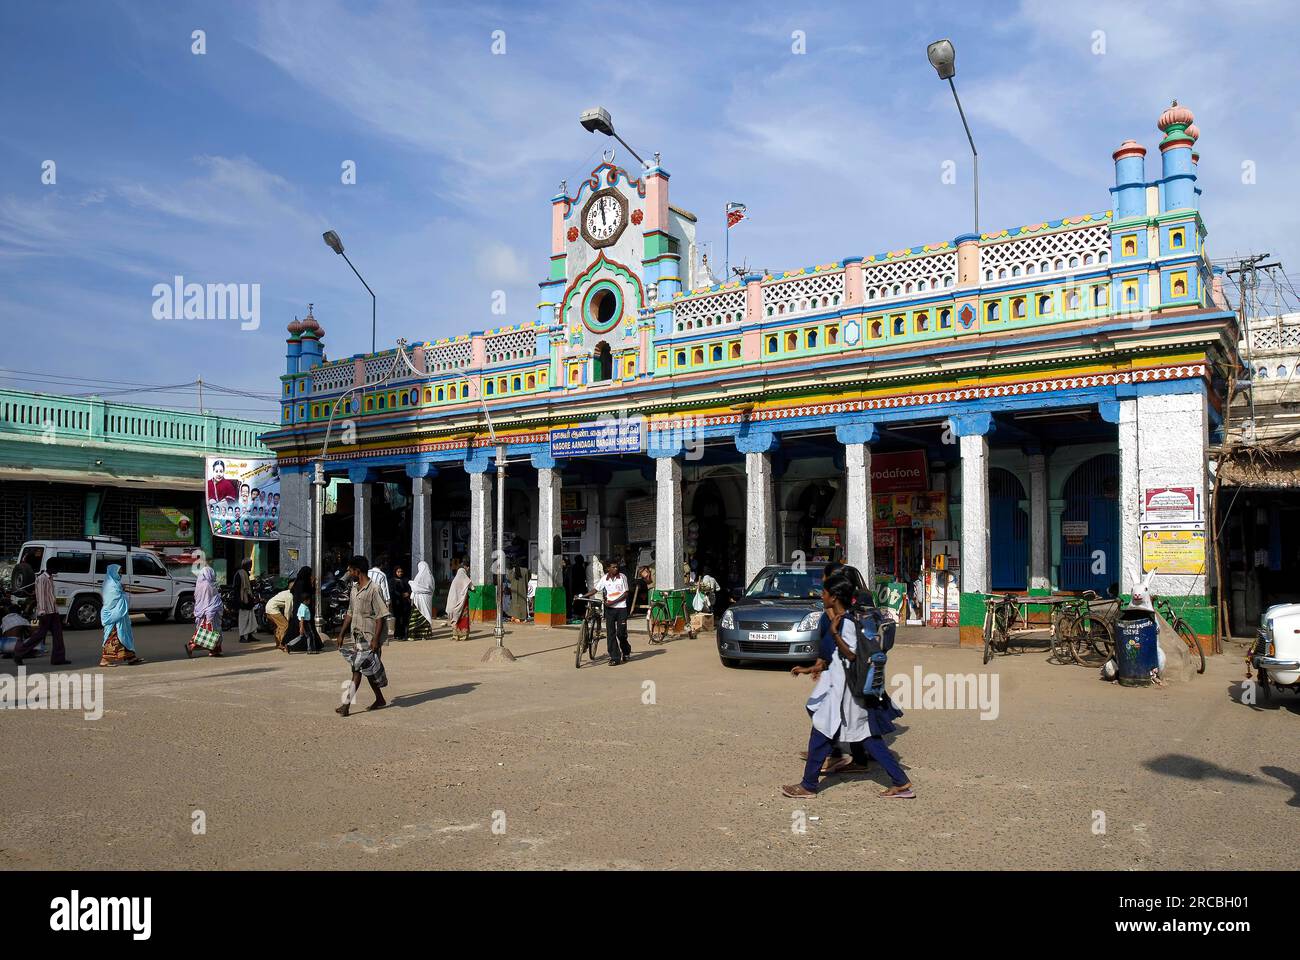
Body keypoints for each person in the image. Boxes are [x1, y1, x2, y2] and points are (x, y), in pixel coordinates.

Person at [783, 574, 912, 799]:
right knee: (868, 737)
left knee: (821, 732)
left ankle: (808, 786)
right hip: (845, 689)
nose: (821, 596)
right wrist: (811, 669)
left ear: (833, 597)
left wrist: (834, 634)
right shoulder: (845, 619)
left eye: (824, 593)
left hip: (846, 692)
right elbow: (837, 657)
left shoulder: (847, 622)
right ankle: (900, 781)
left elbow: (851, 656)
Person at [335, 555, 393, 717]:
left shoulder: (374, 589)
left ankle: (346, 705)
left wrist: (375, 639)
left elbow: (381, 616)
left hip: (369, 637)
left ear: (357, 571)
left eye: (350, 570)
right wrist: (341, 634)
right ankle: (380, 699)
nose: (349, 573)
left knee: (357, 670)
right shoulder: (354, 589)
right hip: (357, 636)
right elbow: (350, 613)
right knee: (366, 670)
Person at [14, 568, 69, 666]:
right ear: (52, 567)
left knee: (58, 636)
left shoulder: (50, 578)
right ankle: (19, 653)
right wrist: (42, 612)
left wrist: (56, 610)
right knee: (39, 635)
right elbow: (41, 597)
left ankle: (58, 658)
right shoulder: (41, 579)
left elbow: (50, 596)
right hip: (46, 613)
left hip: (53, 611)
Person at [99, 564, 143, 666]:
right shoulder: (110, 585)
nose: (120, 574)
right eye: (119, 572)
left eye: (121, 572)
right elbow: (112, 600)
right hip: (113, 616)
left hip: (120, 615)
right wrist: (122, 591)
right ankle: (105, 660)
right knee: (113, 636)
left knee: (125, 635)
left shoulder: (115, 583)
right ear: (113, 573)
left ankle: (131, 657)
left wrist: (121, 590)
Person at [186, 566, 224, 658]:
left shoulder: (199, 584)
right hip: (210, 612)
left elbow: (197, 597)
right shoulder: (209, 585)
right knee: (210, 633)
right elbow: (213, 600)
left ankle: (213, 650)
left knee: (204, 632)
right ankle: (193, 647)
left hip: (201, 611)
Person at [599, 561, 631, 666]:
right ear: (608, 568)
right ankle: (615, 657)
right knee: (611, 634)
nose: (616, 569)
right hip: (610, 610)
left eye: (617, 567)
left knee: (621, 634)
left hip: (621, 608)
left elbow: (626, 593)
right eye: (613, 567)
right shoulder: (604, 578)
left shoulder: (622, 577)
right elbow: (595, 589)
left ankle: (626, 651)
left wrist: (613, 602)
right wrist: (582, 596)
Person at [286, 566, 323, 653]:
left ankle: (292, 645)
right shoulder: (304, 583)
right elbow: (308, 594)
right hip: (304, 612)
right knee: (307, 633)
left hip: (297, 610)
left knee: (302, 633)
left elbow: (293, 592)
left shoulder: (297, 582)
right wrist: (312, 583)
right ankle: (309, 648)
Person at [407, 561, 436, 640]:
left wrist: (411, 583)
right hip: (427, 599)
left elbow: (415, 588)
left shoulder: (418, 577)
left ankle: (413, 635)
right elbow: (433, 588)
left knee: (416, 616)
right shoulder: (431, 577)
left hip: (419, 600)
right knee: (426, 616)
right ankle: (424, 635)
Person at [445, 563, 472, 641]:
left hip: (454, 603)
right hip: (464, 603)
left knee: (456, 618)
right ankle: (463, 635)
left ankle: (455, 635)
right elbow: (472, 587)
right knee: (463, 618)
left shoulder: (455, 580)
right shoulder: (465, 578)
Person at [233, 558, 256, 643]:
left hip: (248, 599)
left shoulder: (245, 573)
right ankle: (242, 637)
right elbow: (237, 588)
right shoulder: (239, 574)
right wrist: (240, 601)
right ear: (245, 565)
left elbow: (247, 586)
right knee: (243, 619)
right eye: (250, 565)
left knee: (250, 618)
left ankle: (249, 635)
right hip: (243, 599)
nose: (251, 566)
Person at [265, 587, 294, 652]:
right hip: (273, 609)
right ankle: (282, 644)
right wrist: (287, 620)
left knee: (278, 627)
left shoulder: (286, 592)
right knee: (285, 625)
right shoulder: (290, 596)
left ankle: (278, 644)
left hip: (268, 608)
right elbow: (287, 611)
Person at [390, 565, 411, 640]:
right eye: (398, 572)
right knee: (398, 619)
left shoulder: (406, 580)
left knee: (405, 619)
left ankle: (405, 634)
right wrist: (400, 595)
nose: (400, 573)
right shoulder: (392, 581)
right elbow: (392, 591)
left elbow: (410, 589)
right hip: (397, 602)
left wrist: (408, 593)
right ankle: (398, 634)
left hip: (405, 603)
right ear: (395, 572)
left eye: (401, 571)